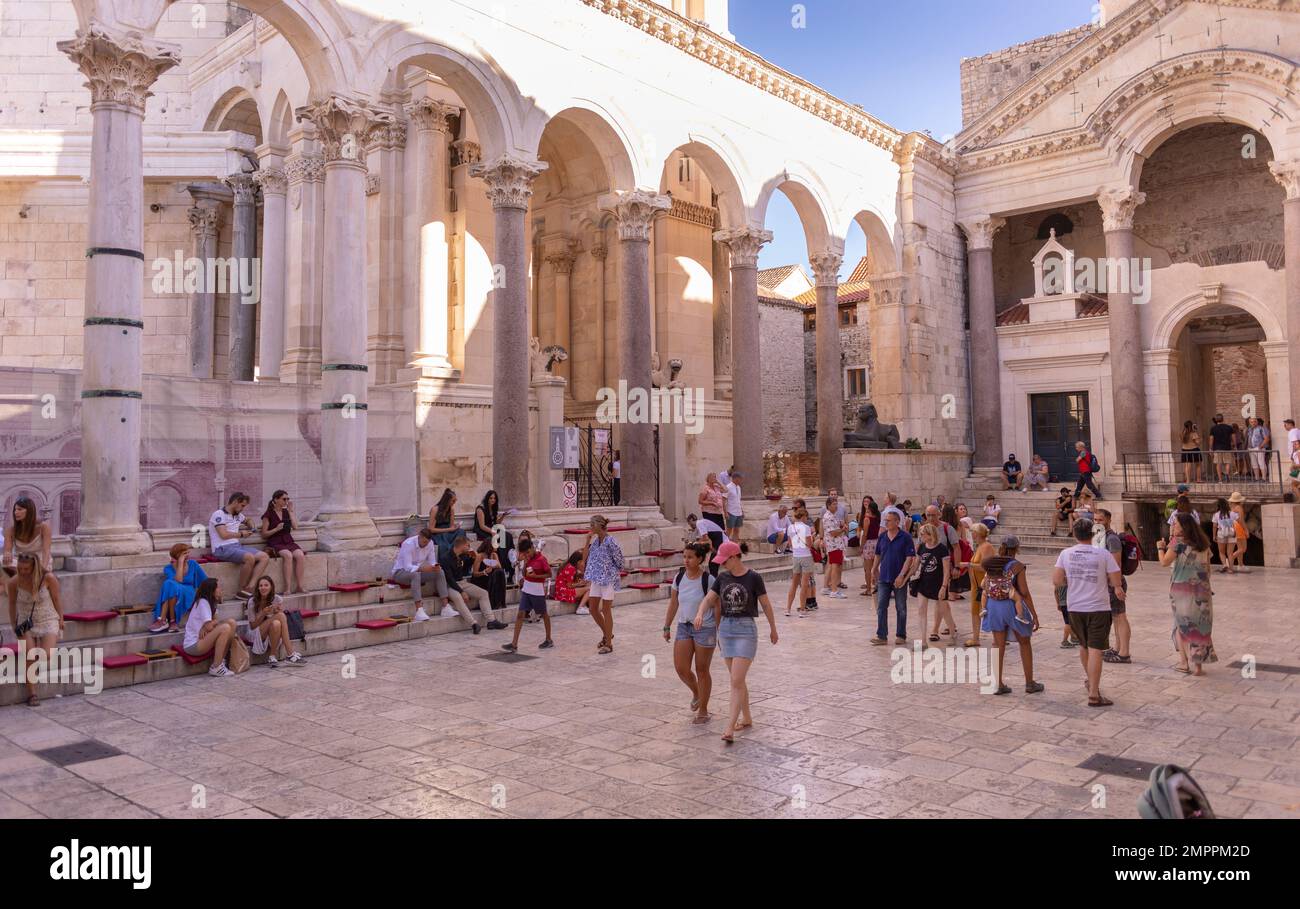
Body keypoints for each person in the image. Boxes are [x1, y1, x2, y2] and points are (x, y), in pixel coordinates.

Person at [695, 541, 777, 744]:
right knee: (737, 680)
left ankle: (729, 727)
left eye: (724, 560)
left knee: (736, 680)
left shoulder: (754, 577)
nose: (722, 565)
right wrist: (699, 613)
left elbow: (765, 604)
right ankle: (747, 718)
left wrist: (773, 629)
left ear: (734, 557)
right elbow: (709, 599)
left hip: (746, 630)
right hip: (726, 630)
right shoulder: (722, 578)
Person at [1053, 518, 1125, 708]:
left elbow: (1057, 580)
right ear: (1093, 534)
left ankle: (1090, 681)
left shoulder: (1065, 554)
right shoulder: (1103, 554)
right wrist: (1114, 587)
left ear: (1075, 534)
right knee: (1096, 650)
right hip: (1098, 607)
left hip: (1075, 606)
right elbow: (1115, 581)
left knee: (1084, 647)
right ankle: (1094, 692)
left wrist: (1075, 581)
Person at [979, 536, 1044, 695]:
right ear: (1017, 548)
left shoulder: (992, 563)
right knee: (1024, 642)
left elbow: (985, 585)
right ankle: (1029, 683)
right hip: (1012, 606)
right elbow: (1024, 592)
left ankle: (998, 683)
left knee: (997, 644)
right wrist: (1034, 615)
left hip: (993, 606)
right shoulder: (1017, 566)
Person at [1157, 513, 1217, 676]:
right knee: (1201, 625)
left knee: (1181, 624)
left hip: (1181, 590)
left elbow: (1164, 562)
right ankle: (1198, 666)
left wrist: (1160, 548)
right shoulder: (1203, 543)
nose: (1173, 527)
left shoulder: (1177, 543)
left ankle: (1184, 663)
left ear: (1184, 526)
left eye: (1175, 524)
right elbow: (1208, 569)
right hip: (1202, 590)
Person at [663, 542, 716, 725]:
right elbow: (673, 603)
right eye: (684, 556)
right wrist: (666, 626)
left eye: (690, 557)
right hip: (684, 626)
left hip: (705, 628)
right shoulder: (678, 577)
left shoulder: (708, 580)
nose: (686, 560)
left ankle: (703, 709)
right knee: (681, 668)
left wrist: (719, 630)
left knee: (702, 670)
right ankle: (696, 693)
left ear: (700, 559)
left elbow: (716, 606)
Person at [4, 552, 64, 706]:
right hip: (25, 622)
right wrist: (13, 624)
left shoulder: (48, 578)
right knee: (30, 655)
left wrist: (61, 618)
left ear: (34, 567)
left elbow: (57, 599)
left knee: (46, 655)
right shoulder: (13, 582)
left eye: (26, 569)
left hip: (48, 618)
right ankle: (32, 693)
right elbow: (11, 604)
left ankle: (31, 670)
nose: (22, 572)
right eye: (20, 568)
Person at [209, 492, 269, 599]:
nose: (243, 508)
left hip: (236, 546)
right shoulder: (219, 514)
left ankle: (249, 587)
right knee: (249, 558)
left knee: (264, 556)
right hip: (222, 548)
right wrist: (241, 534)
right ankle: (240, 591)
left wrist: (251, 527)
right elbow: (223, 535)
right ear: (236, 502)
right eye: (242, 505)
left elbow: (248, 520)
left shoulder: (238, 515)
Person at [438, 535, 503, 632]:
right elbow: (450, 579)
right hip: (450, 585)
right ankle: (473, 624)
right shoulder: (445, 558)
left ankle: (491, 621)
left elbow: (465, 568)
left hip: (462, 582)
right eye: (468, 545)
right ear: (462, 546)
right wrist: (462, 592)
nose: (469, 548)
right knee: (458, 597)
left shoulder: (463, 556)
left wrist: (473, 558)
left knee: (483, 593)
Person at [871, 510, 916, 645]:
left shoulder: (905, 537)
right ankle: (882, 636)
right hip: (884, 577)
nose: (886, 523)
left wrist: (902, 575)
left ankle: (901, 635)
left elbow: (909, 558)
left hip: (899, 578)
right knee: (881, 606)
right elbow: (878, 554)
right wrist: (874, 569)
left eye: (889, 520)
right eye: (886, 520)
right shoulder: (883, 536)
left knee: (901, 607)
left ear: (897, 522)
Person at [502, 538, 553, 652]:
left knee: (543, 614)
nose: (526, 555)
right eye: (524, 553)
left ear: (531, 548)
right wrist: (524, 562)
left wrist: (536, 576)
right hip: (527, 588)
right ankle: (514, 643)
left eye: (527, 553)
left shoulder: (541, 559)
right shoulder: (527, 558)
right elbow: (525, 573)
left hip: (537, 590)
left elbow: (549, 573)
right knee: (520, 614)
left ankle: (548, 639)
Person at [583, 515, 625, 654]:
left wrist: (613, 573)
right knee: (593, 609)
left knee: (606, 610)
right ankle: (607, 634)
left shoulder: (611, 541)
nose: (590, 527)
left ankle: (609, 643)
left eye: (592, 524)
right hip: (596, 578)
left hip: (607, 579)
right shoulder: (595, 542)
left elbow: (619, 560)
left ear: (599, 526)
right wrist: (587, 540)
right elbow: (585, 558)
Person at [1096, 509, 1133, 665]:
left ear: (1109, 520)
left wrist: (1116, 586)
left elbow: (1116, 564)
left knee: (1120, 617)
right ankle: (1118, 649)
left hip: (1114, 582)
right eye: (1095, 520)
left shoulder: (1112, 539)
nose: (1097, 523)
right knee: (1115, 617)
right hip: (1108, 583)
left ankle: (1124, 653)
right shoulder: (1100, 537)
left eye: (1101, 520)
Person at [183, 578, 238, 677]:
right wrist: (207, 625)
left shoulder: (211, 602)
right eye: (218, 587)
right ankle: (216, 667)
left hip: (203, 640)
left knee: (231, 623)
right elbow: (210, 626)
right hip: (193, 645)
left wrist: (208, 625)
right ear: (211, 590)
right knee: (225, 627)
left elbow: (214, 622)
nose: (220, 589)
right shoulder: (203, 602)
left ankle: (221, 660)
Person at [245, 576, 306, 666]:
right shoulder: (252, 601)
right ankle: (290, 653)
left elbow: (279, 619)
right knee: (281, 616)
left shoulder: (277, 599)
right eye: (260, 585)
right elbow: (253, 626)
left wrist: (276, 611)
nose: (263, 588)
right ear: (258, 588)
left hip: (271, 631)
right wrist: (263, 613)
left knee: (277, 623)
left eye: (266, 585)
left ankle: (272, 656)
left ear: (271, 587)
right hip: (255, 632)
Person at [150, 543, 208, 633]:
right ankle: (172, 621)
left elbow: (205, 580)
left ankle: (162, 620)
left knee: (169, 585)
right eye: (185, 553)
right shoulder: (168, 568)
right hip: (174, 592)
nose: (188, 555)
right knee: (169, 584)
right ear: (178, 555)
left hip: (189, 592)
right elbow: (178, 580)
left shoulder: (193, 564)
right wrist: (180, 562)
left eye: (188, 552)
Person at [390, 528, 444, 623]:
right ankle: (419, 610)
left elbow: (432, 561)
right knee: (415, 575)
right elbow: (407, 567)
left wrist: (435, 566)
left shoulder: (430, 543)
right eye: (424, 542)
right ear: (419, 536)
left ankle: (445, 606)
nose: (425, 544)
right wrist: (424, 569)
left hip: (418, 572)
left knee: (440, 572)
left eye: (427, 542)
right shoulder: (408, 544)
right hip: (400, 573)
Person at [260, 490, 306, 595]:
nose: (286, 501)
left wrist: (290, 511)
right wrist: (276, 529)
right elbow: (264, 534)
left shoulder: (286, 512)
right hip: (275, 541)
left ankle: (299, 586)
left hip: (288, 540)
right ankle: (287, 588)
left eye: (287, 499)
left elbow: (295, 526)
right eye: (284, 499)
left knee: (300, 555)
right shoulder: (268, 514)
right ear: (276, 500)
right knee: (288, 555)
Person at [913, 524, 951, 647]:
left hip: (938, 584)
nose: (920, 536)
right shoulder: (922, 547)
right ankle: (923, 641)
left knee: (944, 611)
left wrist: (944, 587)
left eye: (922, 533)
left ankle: (953, 631)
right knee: (921, 610)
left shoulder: (942, 549)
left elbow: (946, 571)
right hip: (924, 583)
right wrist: (904, 577)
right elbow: (915, 566)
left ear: (930, 535)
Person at [2, 496, 52, 576]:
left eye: (20, 509)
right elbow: (7, 550)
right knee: (1, 560)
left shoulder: (43, 527)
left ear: (29, 511)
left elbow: (46, 551)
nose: (16, 512)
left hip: (38, 560)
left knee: (37, 568)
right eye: (15, 509)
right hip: (20, 560)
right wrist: (7, 553)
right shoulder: (10, 530)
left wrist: (43, 569)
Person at [965, 523, 996, 648]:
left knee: (991, 610)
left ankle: (999, 636)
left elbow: (986, 567)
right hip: (976, 586)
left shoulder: (986, 547)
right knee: (975, 611)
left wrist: (968, 564)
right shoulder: (979, 546)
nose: (971, 534)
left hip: (984, 586)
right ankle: (975, 638)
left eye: (972, 531)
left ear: (977, 533)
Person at [474, 489, 513, 582]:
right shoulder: (480, 509)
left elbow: (495, 523)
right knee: (498, 538)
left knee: (507, 535)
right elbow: (482, 525)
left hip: (492, 529)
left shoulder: (493, 508)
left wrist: (503, 516)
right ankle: (503, 563)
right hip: (483, 530)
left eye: (494, 498)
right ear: (487, 498)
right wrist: (492, 531)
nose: (493, 500)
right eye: (491, 498)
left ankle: (509, 557)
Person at [785, 507, 815, 617]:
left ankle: (788, 609)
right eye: (806, 517)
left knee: (794, 584)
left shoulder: (790, 527)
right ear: (803, 517)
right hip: (806, 556)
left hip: (796, 556)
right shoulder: (806, 527)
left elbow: (790, 543)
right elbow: (809, 544)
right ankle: (802, 609)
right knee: (804, 584)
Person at [469, 538, 508, 618]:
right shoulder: (480, 556)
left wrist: (492, 565)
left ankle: (499, 601)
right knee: (496, 574)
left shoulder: (494, 555)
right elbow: (475, 573)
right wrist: (484, 572)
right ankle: (493, 602)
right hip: (480, 578)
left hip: (490, 576)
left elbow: (499, 566)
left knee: (499, 572)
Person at [820, 496, 847, 599]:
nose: (836, 506)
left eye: (837, 504)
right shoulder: (829, 517)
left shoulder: (832, 515)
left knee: (831, 566)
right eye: (834, 504)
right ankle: (834, 590)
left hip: (835, 544)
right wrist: (843, 529)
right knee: (835, 567)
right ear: (828, 505)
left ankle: (826, 587)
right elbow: (833, 533)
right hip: (834, 544)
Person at [427, 488, 462, 557]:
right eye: (453, 501)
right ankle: (447, 558)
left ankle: (456, 552)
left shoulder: (451, 509)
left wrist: (455, 526)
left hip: (447, 531)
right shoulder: (435, 509)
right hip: (437, 533)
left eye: (455, 501)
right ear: (447, 500)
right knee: (444, 545)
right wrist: (449, 529)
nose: (454, 503)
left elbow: (451, 526)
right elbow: (431, 529)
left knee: (461, 532)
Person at [857, 496, 881, 595]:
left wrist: (861, 546)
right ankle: (880, 586)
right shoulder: (878, 517)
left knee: (868, 568)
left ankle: (868, 589)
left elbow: (865, 534)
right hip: (877, 542)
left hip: (869, 543)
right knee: (875, 568)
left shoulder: (867, 519)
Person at [1211, 497, 1236, 574]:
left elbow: (1214, 526)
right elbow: (1237, 524)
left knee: (1222, 552)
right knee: (1230, 553)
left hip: (1221, 534)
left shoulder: (1216, 515)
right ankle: (1231, 569)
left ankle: (1225, 565)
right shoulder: (1232, 514)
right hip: (1231, 534)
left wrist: (1214, 536)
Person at [1206, 414, 1234, 482]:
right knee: (1227, 462)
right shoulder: (1229, 427)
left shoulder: (1213, 428)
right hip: (1227, 447)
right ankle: (1227, 474)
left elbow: (1211, 439)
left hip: (1217, 448)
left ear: (1216, 420)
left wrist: (1210, 448)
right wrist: (1234, 445)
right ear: (1223, 419)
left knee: (1218, 464)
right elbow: (1233, 437)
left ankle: (1220, 479)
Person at [1228, 491, 1249, 573]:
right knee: (1243, 548)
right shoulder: (1239, 507)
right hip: (1238, 527)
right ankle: (1230, 559)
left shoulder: (1232, 507)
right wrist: (1246, 530)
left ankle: (1240, 565)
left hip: (1233, 527)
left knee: (1239, 547)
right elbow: (1241, 520)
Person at [723, 471, 745, 535]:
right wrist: (725, 513)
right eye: (740, 478)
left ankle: (735, 544)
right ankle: (725, 544)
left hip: (738, 512)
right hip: (731, 512)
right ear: (736, 478)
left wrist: (742, 511)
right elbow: (723, 500)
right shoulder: (728, 487)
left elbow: (738, 500)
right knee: (729, 530)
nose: (741, 480)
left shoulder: (739, 487)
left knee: (737, 530)